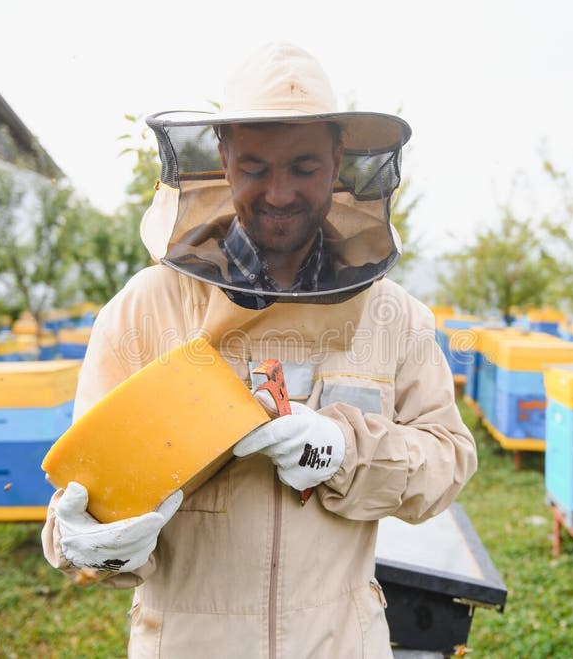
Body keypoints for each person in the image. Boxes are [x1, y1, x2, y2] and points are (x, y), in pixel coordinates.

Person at [42, 42, 477, 658]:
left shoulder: (393, 316)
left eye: (303, 167)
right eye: (254, 167)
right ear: (223, 160)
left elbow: (448, 462)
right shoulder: (144, 311)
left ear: (337, 162)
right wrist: (85, 539)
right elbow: (81, 501)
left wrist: (347, 451)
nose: (278, 193)